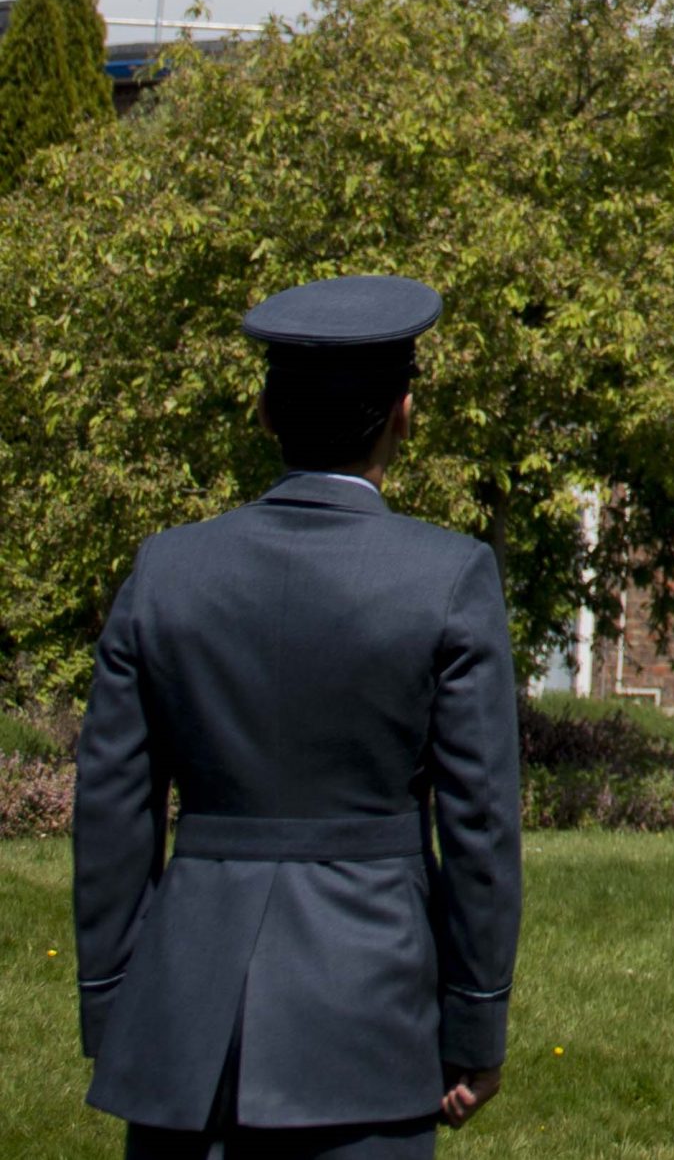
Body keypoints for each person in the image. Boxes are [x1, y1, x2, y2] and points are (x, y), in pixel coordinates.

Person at [73, 275, 523, 1158]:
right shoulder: (449, 577)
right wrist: (475, 1023)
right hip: (371, 1026)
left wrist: (119, 1007)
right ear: (404, 414)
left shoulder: (166, 572)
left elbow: (111, 808)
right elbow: (481, 825)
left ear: (266, 413)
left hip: (184, 1032)